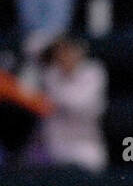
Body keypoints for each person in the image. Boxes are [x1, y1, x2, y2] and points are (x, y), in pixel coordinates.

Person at [31, 36, 108, 172]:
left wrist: (51, 97)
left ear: (79, 52)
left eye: (69, 51)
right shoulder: (51, 74)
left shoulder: (93, 72)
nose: (65, 56)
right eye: (61, 52)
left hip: (86, 145)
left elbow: (77, 102)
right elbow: (31, 46)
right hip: (54, 147)